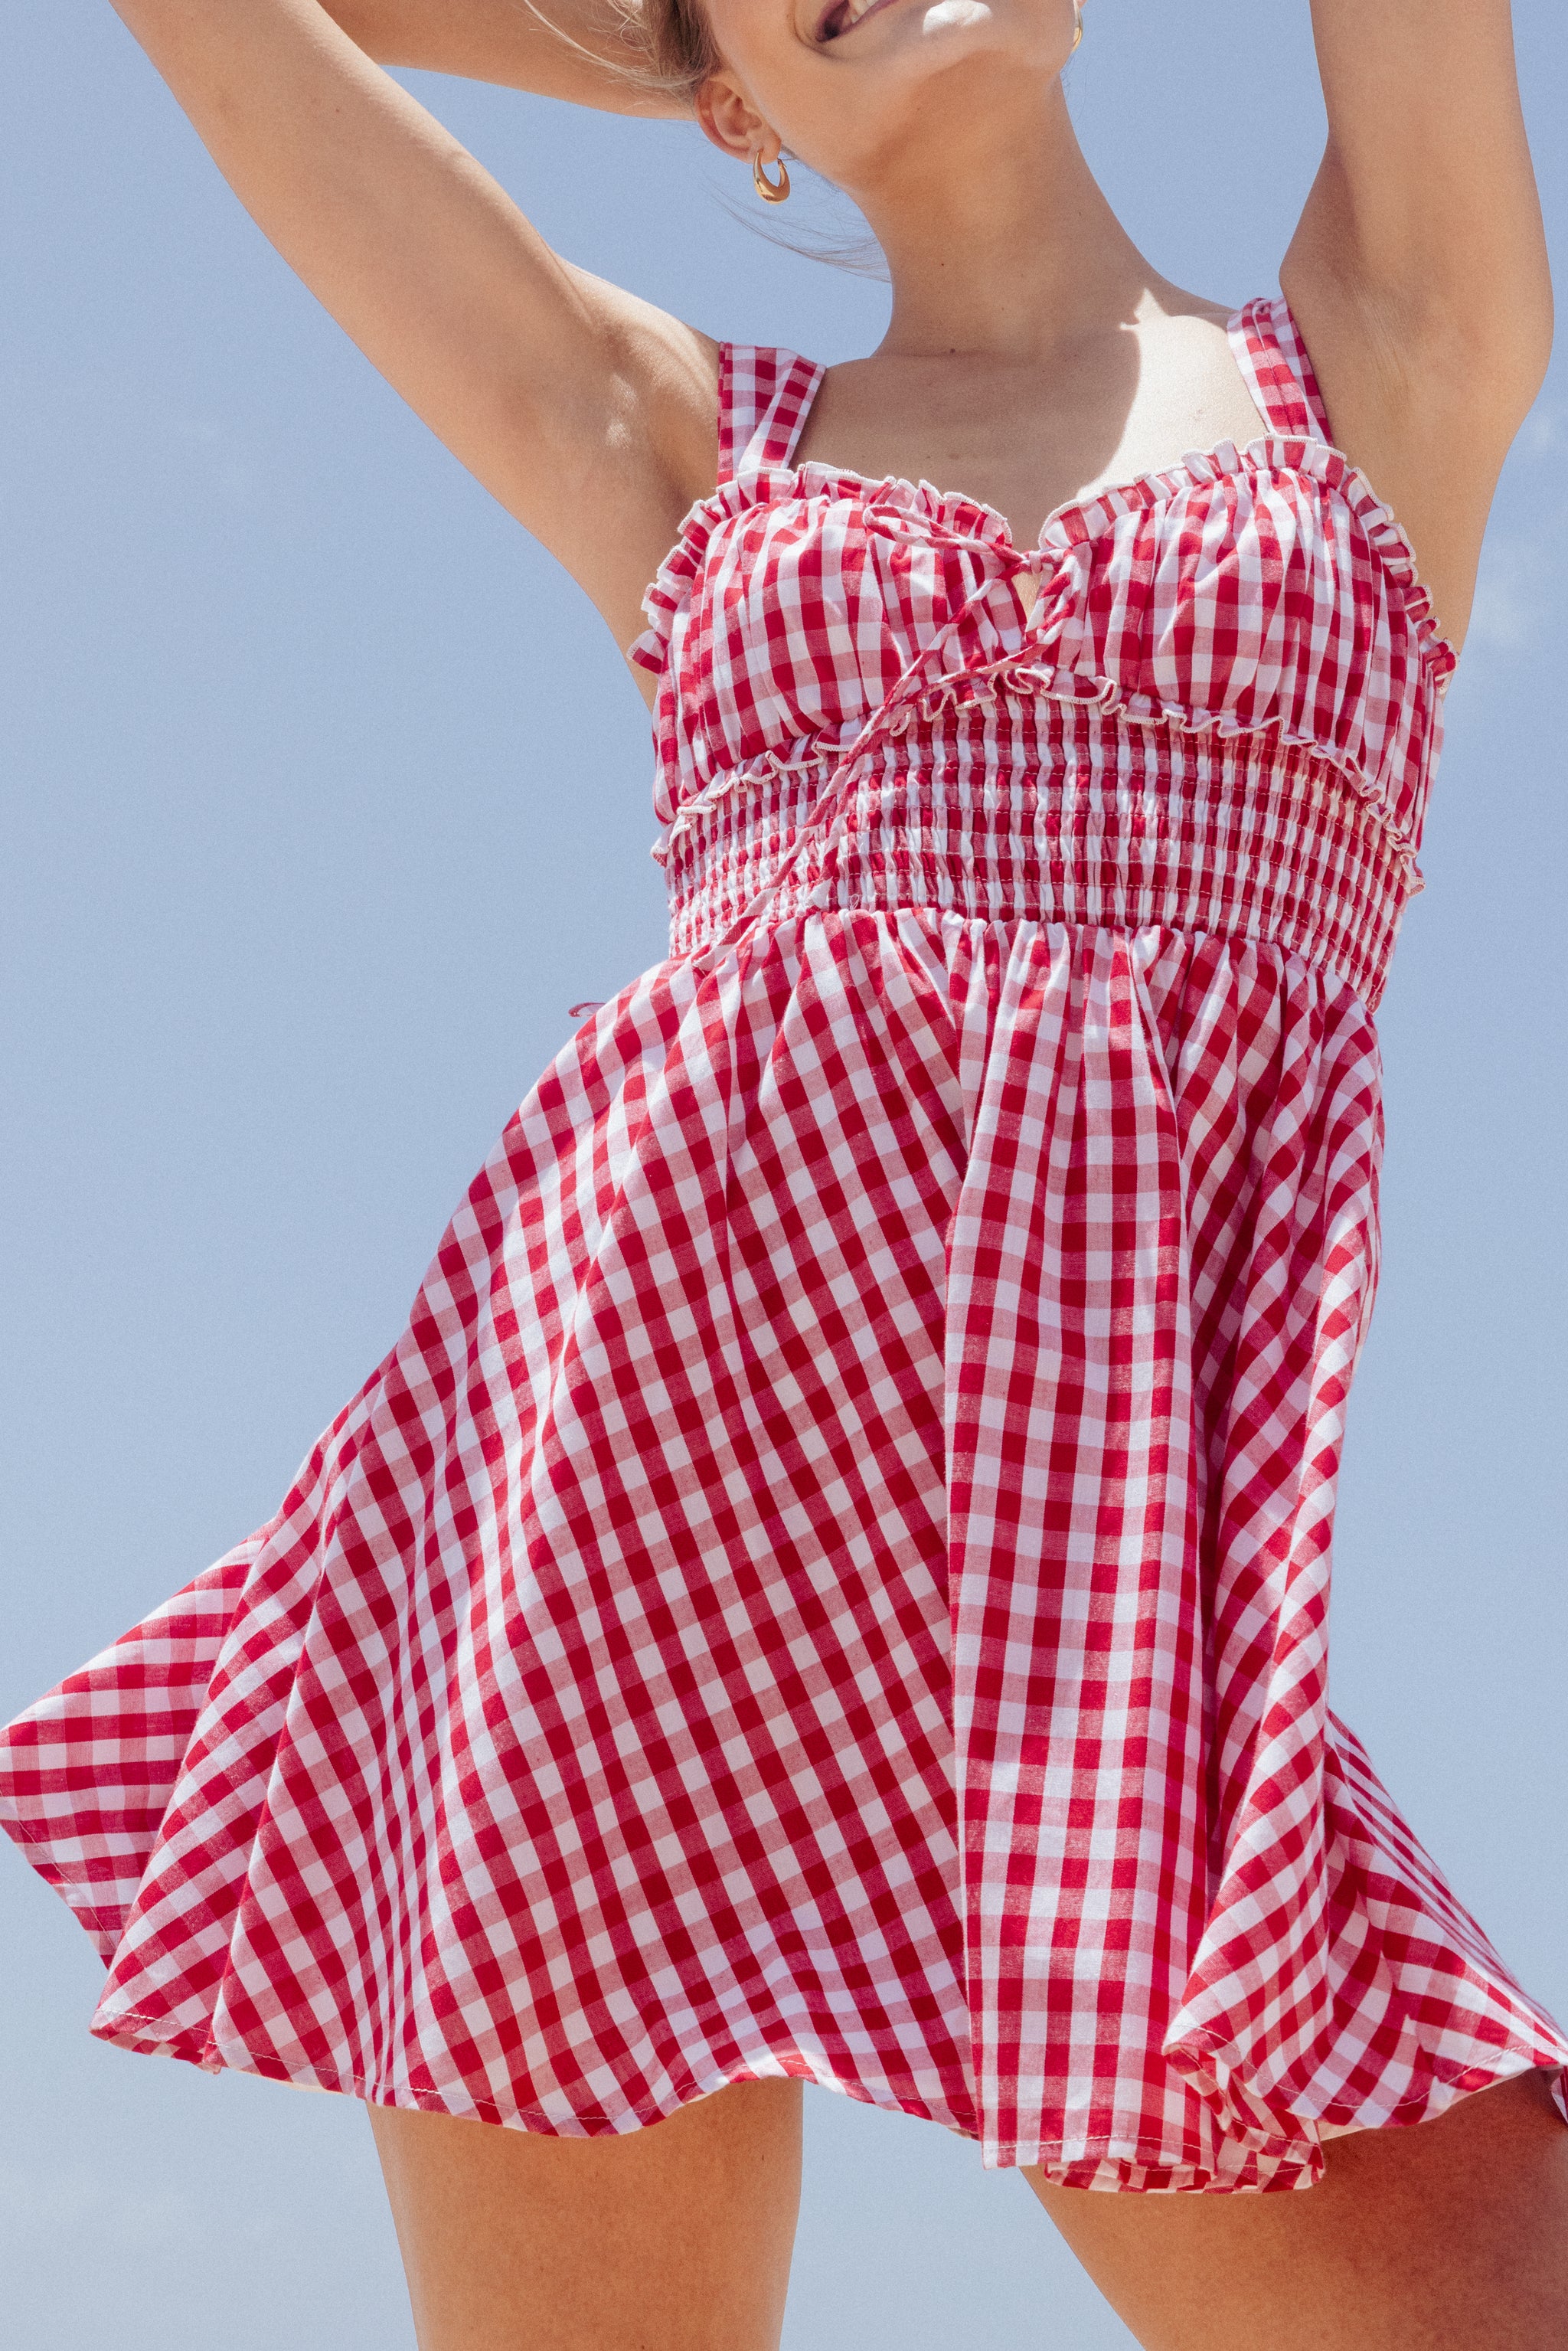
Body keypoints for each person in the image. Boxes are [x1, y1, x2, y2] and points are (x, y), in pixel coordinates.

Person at [3, 0, 1564, 2343]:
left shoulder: (1390, 348)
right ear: (725, 106)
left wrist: (735, 41)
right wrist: (661, 45)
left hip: (1108, 1624)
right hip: (617, 1567)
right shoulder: (670, 437)